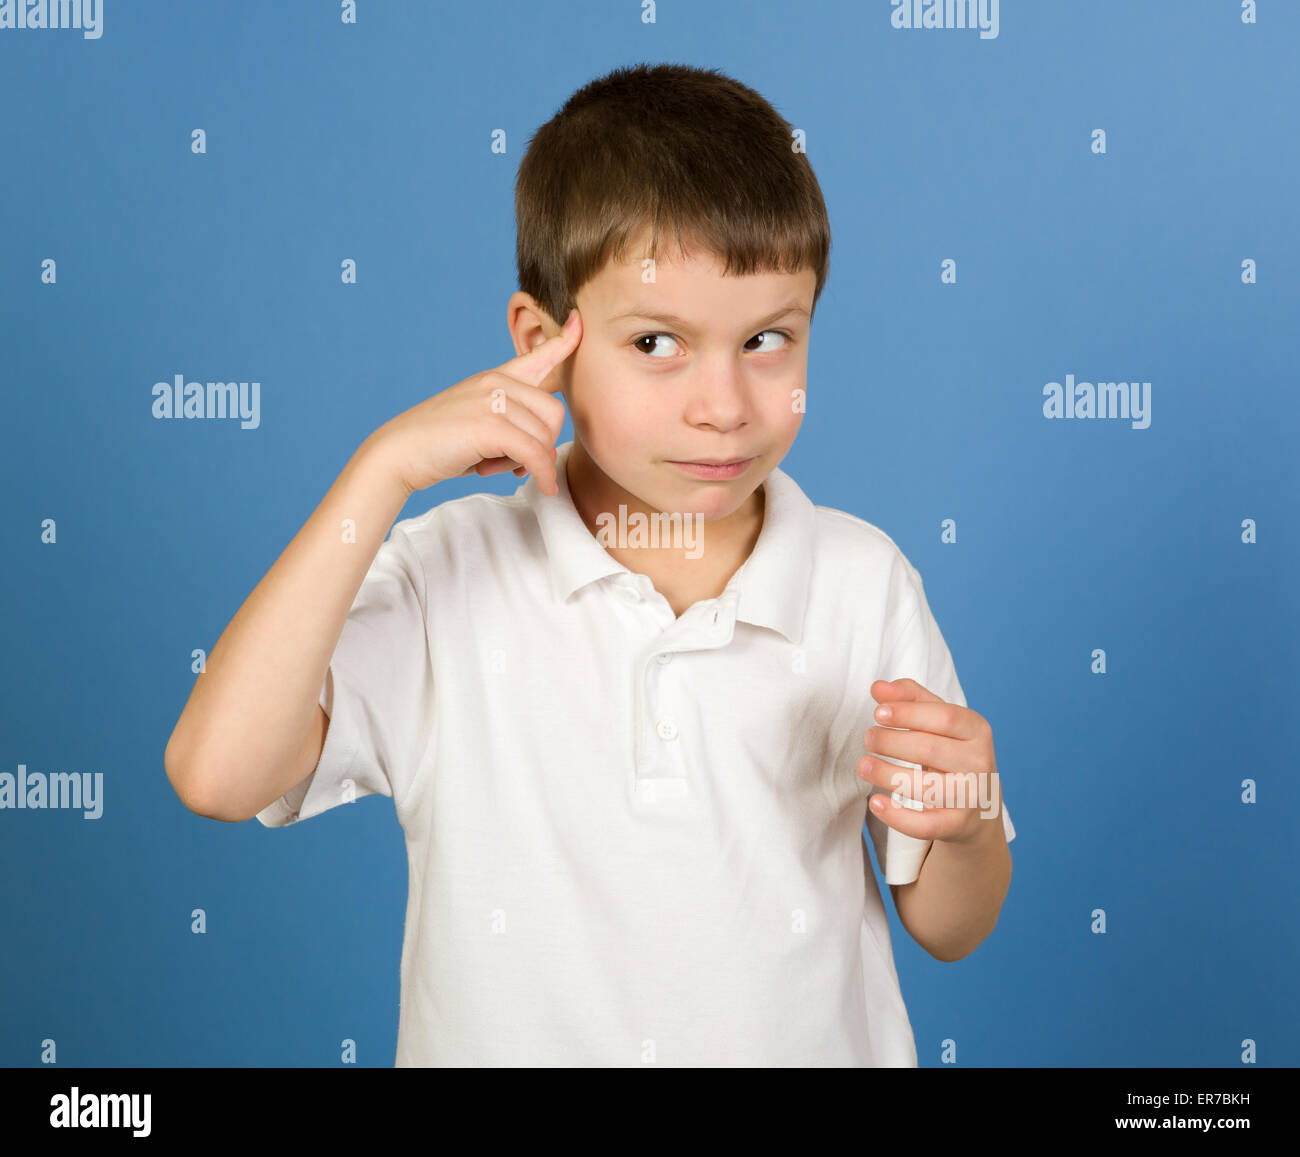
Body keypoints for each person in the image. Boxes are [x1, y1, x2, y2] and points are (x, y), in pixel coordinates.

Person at [164, 62, 1015, 1067]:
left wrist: (961, 828)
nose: (725, 404)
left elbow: (948, 925)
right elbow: (217, 773)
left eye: (768, 339)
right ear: (544, 343)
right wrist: (381, 468)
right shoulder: (451, 574)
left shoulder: (860, 579)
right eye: (657, 340)